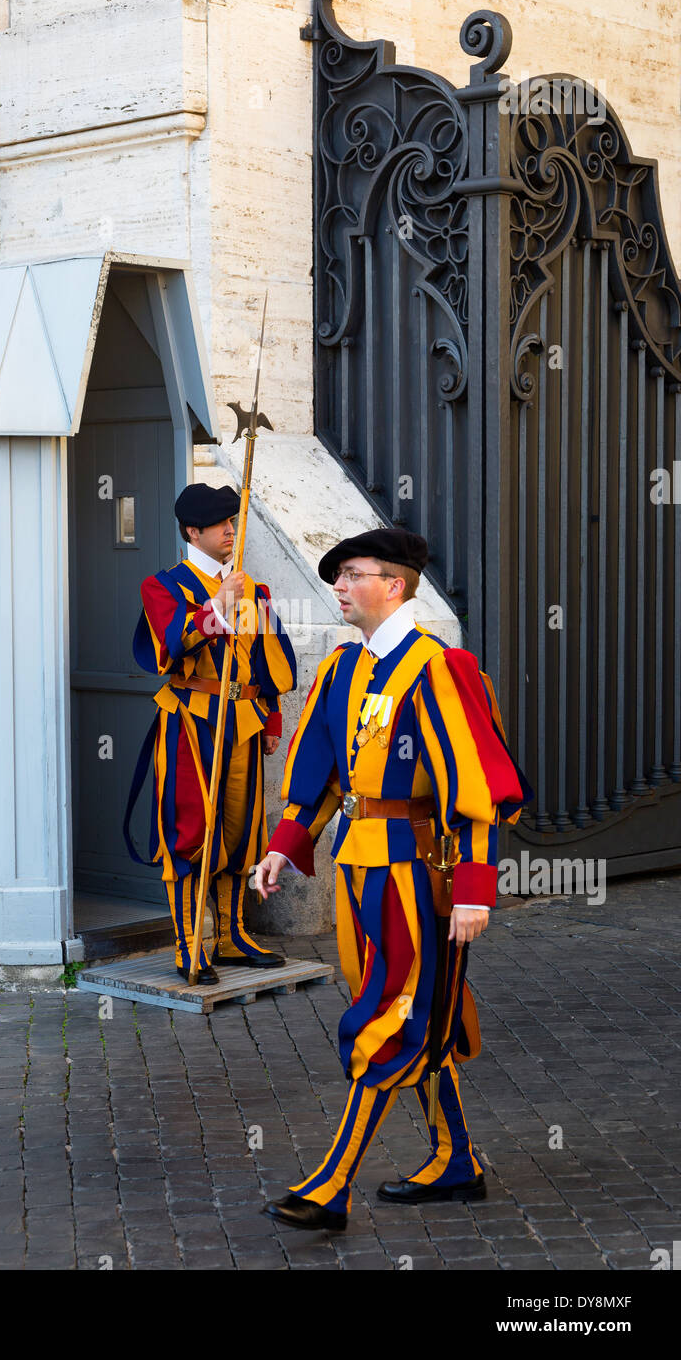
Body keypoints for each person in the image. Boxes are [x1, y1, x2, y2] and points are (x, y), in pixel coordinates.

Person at [253, 527, 533, 1229]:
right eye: (339, 576)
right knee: (418, 1009)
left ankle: (331, 1184)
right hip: (358, 865)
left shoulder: (444, 668)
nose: (339, 588)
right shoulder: (344, 669)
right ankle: (456, 1160)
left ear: (396, 585)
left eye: (353, 575)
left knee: (389, 1012)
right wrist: (286, 847)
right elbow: (317, 774)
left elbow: (475, 788)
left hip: (418, 869)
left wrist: (473, 888)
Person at [124, 482, 297, 983]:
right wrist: (217, 605)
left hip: (243, 721)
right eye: (221, 524)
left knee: (241, 833)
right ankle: (188, 944)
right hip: (191, 720)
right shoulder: (163, 587)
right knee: (191, 829)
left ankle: (231, 935)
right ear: (192, 531)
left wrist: (271, 718)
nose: (230, 530)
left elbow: (267, 660)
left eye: (232, 521)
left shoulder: (253, 591)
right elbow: (172, 644)